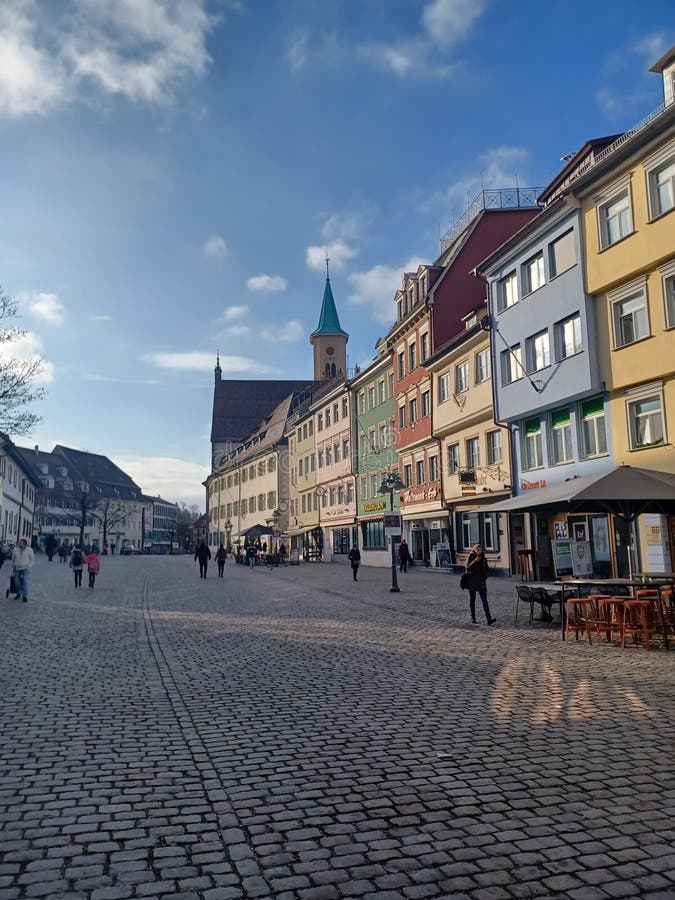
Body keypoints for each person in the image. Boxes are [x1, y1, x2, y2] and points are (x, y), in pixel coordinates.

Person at [465, 544, 496, 625]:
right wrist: (475, 560)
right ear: (474, 550)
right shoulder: (471, 557)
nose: (479, 551)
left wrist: (484, 577)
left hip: (481, 582)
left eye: (480, 550)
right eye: (478, 550)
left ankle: (489, 618)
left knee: (485, 600)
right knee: (472, 600)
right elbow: (467, 568)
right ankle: (473, 617)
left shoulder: (484, 558)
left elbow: (486, 569)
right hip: (472, 582)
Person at [12, 538, 34, 602]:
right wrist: (13, 566)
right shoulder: (15, 549)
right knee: (17, 582)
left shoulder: (29, 550)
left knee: (25, 582)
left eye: (22, 543)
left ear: (25, 544)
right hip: (17, 568)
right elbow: (13, 558)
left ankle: (25, 596)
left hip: (25, 568)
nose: (20, 544)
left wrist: (29, 566)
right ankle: (18, 594)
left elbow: (32, 560)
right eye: (20, 542)